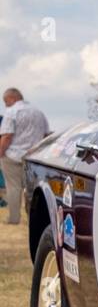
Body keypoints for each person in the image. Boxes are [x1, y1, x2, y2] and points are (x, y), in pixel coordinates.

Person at [0, 87, 50, 225]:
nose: (5, 104)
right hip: (33, 157)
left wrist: (0, 152)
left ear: (12, 98)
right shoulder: (38, 112)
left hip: (12, 155)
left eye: (6, 101)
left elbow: (7, 136)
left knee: (13, 187)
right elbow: (46, 135)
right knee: (32, 190)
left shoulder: (11, 112)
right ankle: (32, 220)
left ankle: (14, 218)